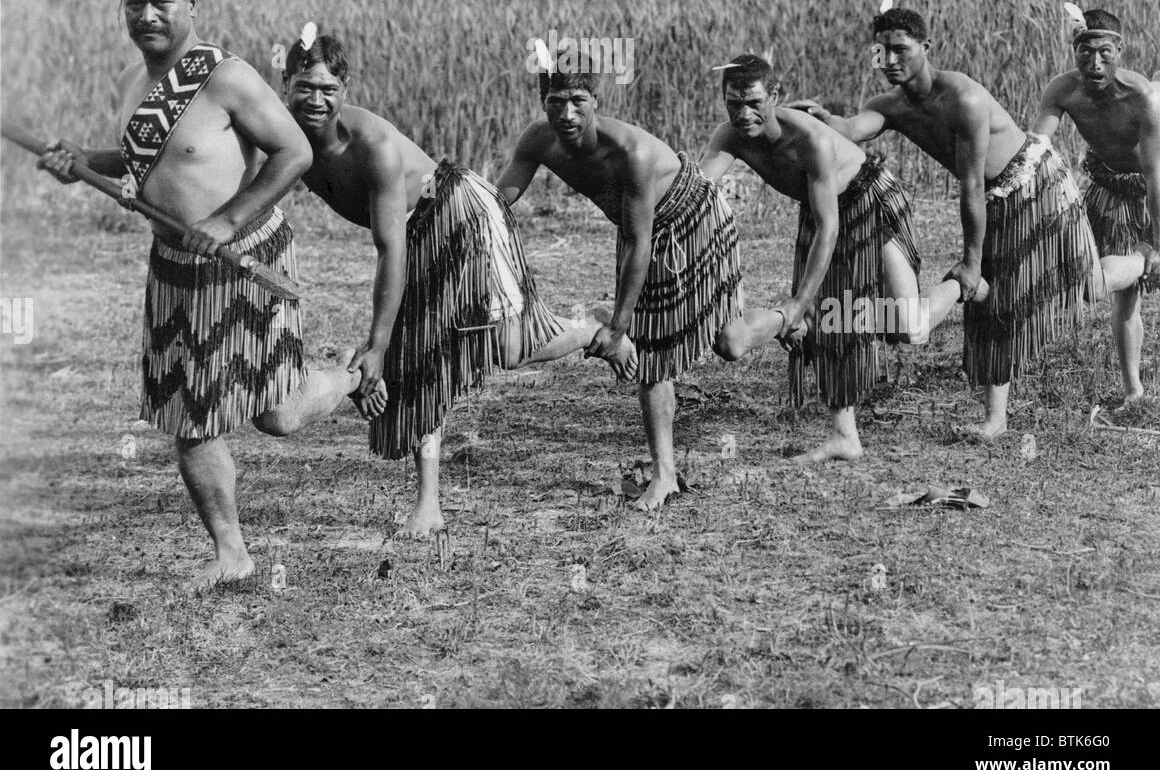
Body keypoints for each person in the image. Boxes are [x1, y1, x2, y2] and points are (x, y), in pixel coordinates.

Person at [38, 0, 362, 589]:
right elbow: (148, 161)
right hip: (175, 267)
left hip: (243, 259)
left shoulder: (227, 77)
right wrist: (82, 159)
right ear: (122, 8)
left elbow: (293, 151)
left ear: (193, 5)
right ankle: (232, 555)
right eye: (137, 2)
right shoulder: (132, 81)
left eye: (163, 1)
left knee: (279, 415)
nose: (149, 14)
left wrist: (228, 218)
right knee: (192, 421)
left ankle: (349, 377)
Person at [283, 28, 600, 537]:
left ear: (345, 89)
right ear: (285, 83)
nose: (316, 100)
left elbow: (391, 249)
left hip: (459, 211)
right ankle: (428, 504)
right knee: (423, 357)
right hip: (414, 229)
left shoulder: (373, 146)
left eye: (327, 89)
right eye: (305, 87)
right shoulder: (281, 136)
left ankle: (588, 330)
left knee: (509, 349)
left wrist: (377, 344)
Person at [792, 6, 1107, 440]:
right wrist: (821, 119)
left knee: (1087, 284)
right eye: (881, 52)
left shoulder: (964, 97)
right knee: (995, 302)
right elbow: (852, 127)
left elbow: (972, 186)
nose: (889, 61)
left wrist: (970, 259)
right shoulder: (890, 105)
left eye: (901, 50)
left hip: (1035, 183)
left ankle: (1138, 265)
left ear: (926, 48)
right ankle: (995, 420)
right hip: (993, 199)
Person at [702, 54, 981, 461]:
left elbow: (829, 229)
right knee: (832, 318)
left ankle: (962, 285)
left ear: (775, 96)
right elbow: (699, 183)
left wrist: (799, 302)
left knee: (910, 327)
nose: (743, 114)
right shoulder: (729, 135)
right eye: (733, 104)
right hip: (822, 211)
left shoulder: (808, 139)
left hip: (868, 199)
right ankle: (844, 436)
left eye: (754, 102)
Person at [497, 52, 743, 509]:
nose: (566, 114)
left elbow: (638, 241)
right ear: (540, 101)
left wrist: (618, 328)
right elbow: (497, 202)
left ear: (597, 100)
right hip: (641, 230)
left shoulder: (630, 151)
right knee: (675, 349)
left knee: (721, 342)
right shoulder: (538, 140)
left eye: (577, 100)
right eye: (554, 102)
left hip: (693, 217)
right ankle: (665, 475)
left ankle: (791, 317)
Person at [1032, 7, 1159, 407]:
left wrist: (1157, 241)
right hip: (1105, 187)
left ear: (1120, 49)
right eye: (1085, 52)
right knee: (1113, 292)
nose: (1094, 62)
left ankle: (1143, 256)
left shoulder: (1142, 96)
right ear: (1074, 48)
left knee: (1114, 287)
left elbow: (1156, 177)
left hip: (1149, 190)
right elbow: (1036, 151)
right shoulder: (1063, 90)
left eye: (1104, 52)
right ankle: (1133, 390)